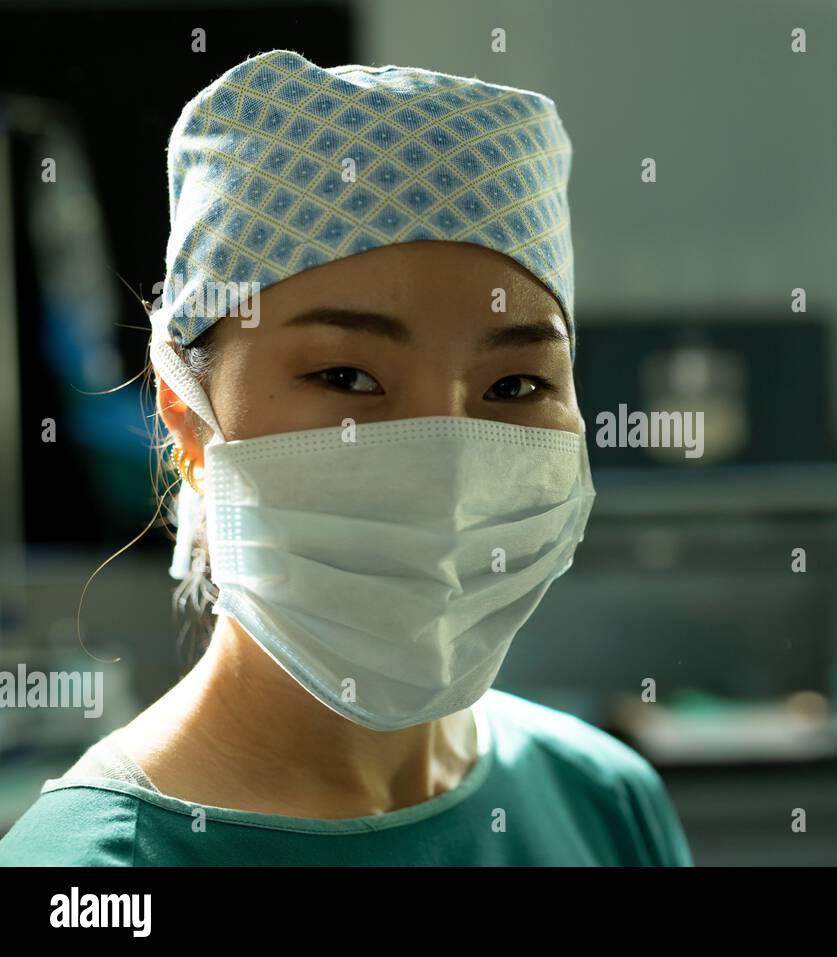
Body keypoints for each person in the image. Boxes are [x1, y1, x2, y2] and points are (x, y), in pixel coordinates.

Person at [0, 49, 693, 866]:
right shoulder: (95, 870)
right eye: (347, 375)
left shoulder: (602, 802)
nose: (449, 465)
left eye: (513, 385)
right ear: (187, 416)